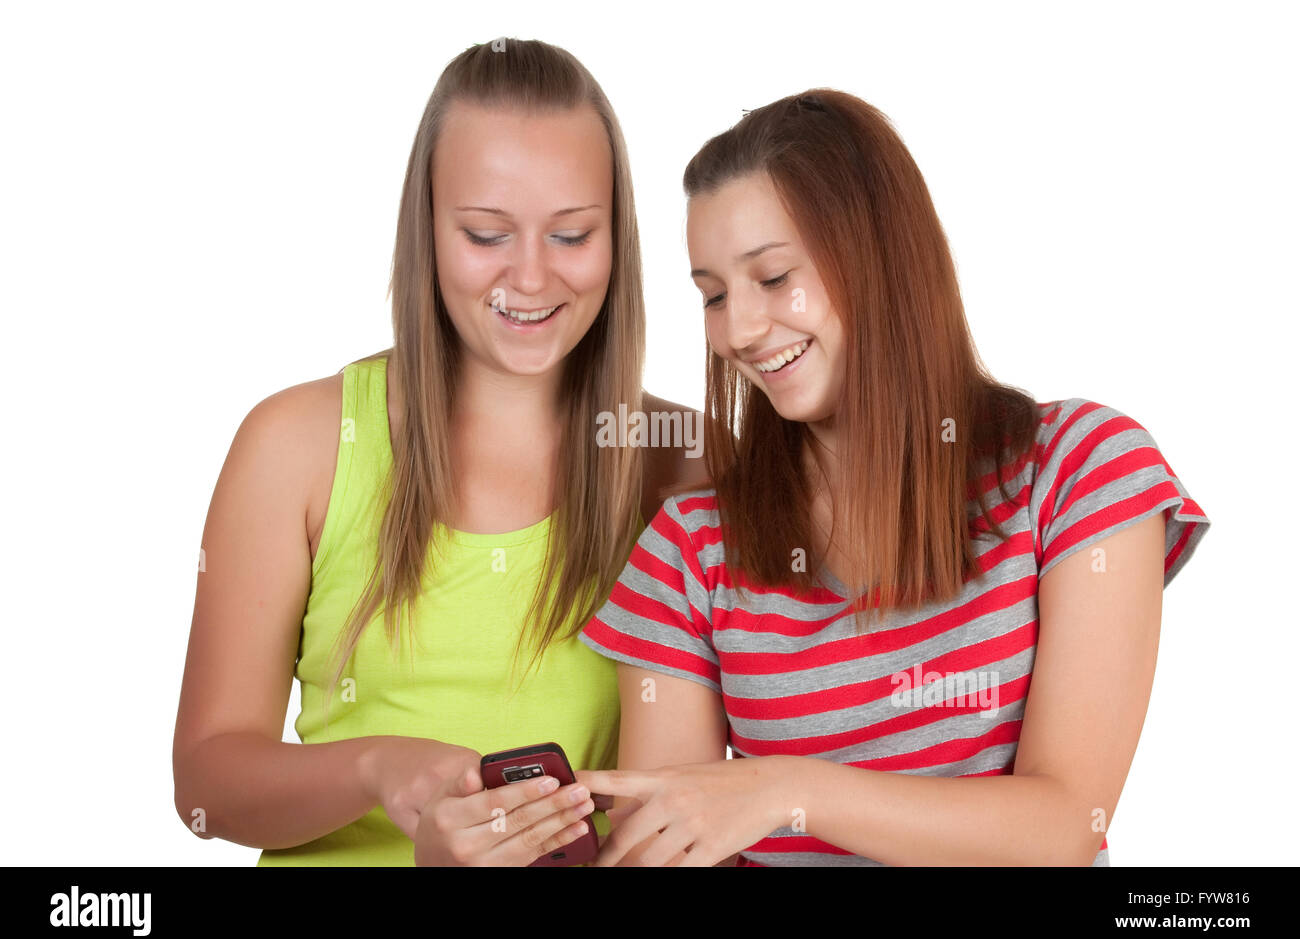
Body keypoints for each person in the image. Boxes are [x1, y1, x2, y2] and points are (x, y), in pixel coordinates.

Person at [577, 89, 1211, 866]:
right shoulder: (689, 552)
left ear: (879, 256)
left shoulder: (1082, 471)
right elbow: (666, 844)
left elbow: (1064, 825)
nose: (736, 330)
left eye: (773, 279)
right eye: (712, 295)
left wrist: (786, 791)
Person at [172, 38, 705, 866]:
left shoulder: (689, 461)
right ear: (426, 227)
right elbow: (206, 786)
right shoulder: (295, 447)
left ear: (618, 239)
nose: (530, 278)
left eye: (571, 235)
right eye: (487, 234)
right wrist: (383, 771)